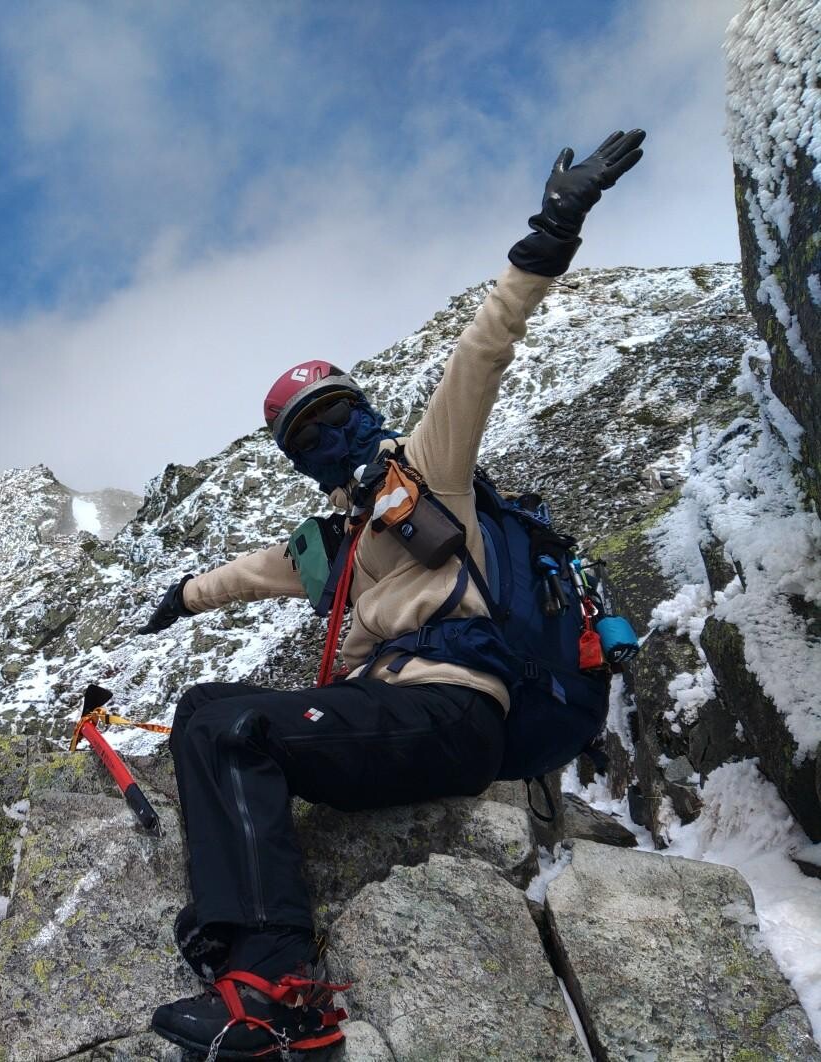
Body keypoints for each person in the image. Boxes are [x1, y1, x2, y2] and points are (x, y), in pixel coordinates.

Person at [138, 130, 646, 1059]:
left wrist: (553, 228)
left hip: (454, 709)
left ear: (365, 408)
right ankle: (256, 965)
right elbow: (249, 576)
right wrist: (181, 596)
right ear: (295, 457)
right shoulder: (331, 548)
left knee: (233, 729)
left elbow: (482, 352)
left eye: (337, 411)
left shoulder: (427, 474)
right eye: (308, 430)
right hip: (388, 708)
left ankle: (274, 992)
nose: (330, 434)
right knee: (206, 708)